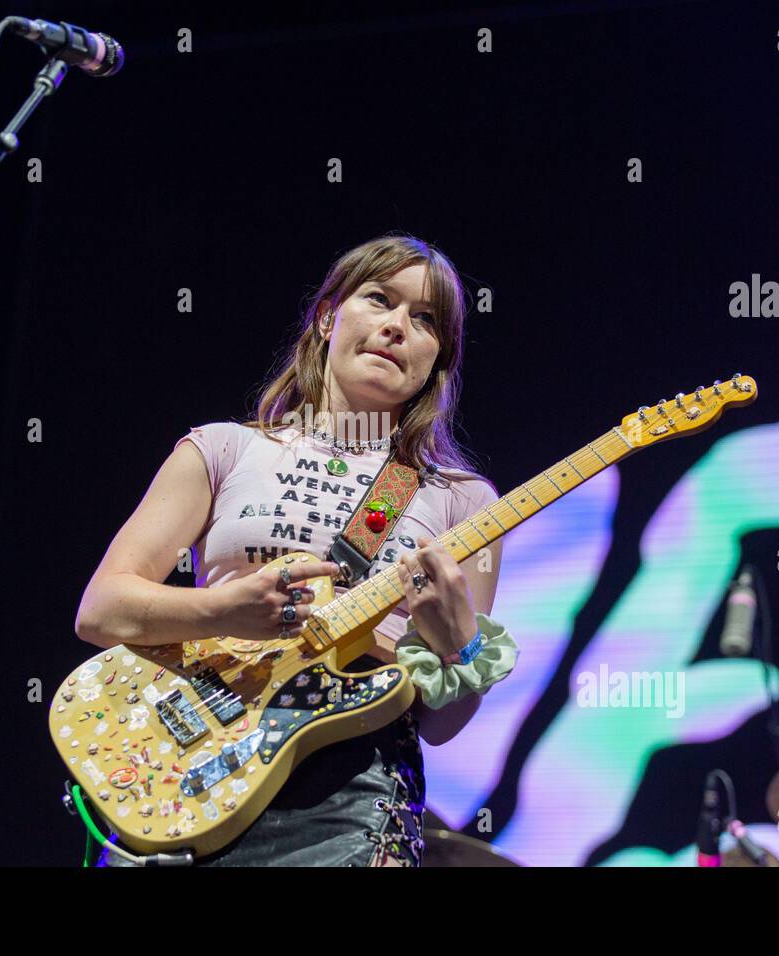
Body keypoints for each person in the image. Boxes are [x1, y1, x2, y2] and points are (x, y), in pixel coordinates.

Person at [74, 232, 514, 866]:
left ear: (436, 359)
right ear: (328, 316)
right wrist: (226, 611)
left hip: (352, 798)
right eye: (380, 299)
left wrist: (457, 645)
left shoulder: (464, 502)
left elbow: (443, 727)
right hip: (191, 774)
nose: (397, 327)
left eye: (425, 321)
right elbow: (102, 610)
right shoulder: (224, 449)